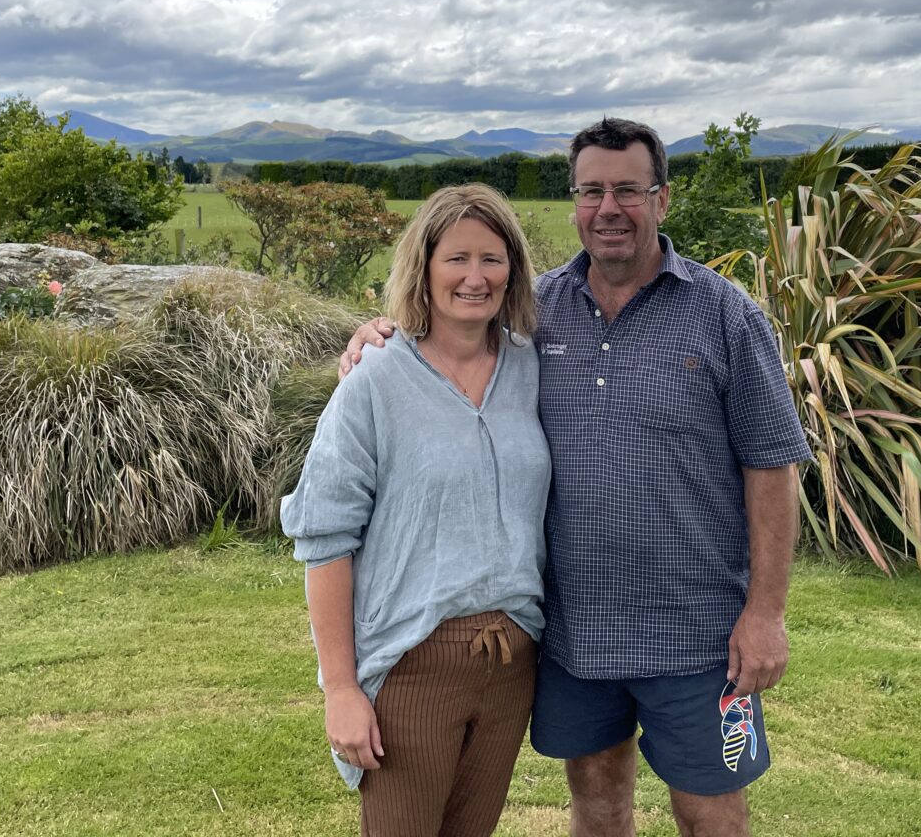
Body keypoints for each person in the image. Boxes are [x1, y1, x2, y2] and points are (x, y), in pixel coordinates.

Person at [343, 118, 813, 837]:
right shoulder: (537, 312)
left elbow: (772, 468)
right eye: (591, 190)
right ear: (574, 202)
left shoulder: (726, 316)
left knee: (712, 814)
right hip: (574, 632)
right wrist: (378, 334)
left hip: (700, 636)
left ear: (661, 198)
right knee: (595, 797)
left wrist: (765, 613)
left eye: (628, 189)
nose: (608, 208)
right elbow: (448, 328)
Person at [282, 183, 551, 837]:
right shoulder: (376, 379)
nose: (475, 277)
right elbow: (326, 539)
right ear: (423, 267)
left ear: (512, 268)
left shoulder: (532, 367)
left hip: (512, 665)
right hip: (412, 665)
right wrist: (341, 689)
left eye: (492, 259)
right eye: (456, 258)